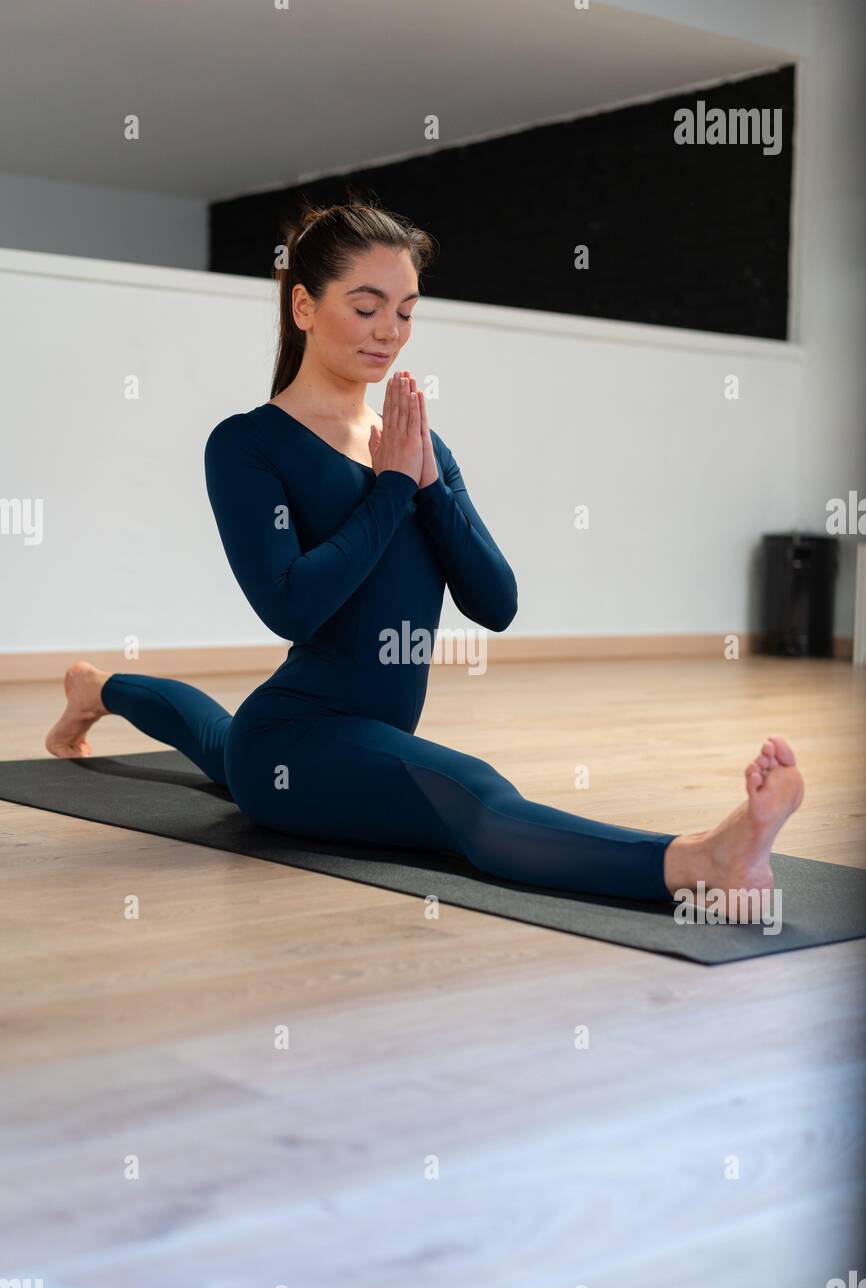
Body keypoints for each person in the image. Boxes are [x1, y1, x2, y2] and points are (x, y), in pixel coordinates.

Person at [46, 200, 804, 918]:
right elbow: (290, 604)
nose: (390, 332)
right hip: (296, 739)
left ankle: (96, 687)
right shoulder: (247, 444)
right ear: (304, 306)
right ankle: (703, 861)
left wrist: (431, 489)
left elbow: (496, 604)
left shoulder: (415, 445)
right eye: (367, 306)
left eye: (406, 311)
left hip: (342, 732)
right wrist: (390, 491)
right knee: (466, 794)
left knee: (214, 735)